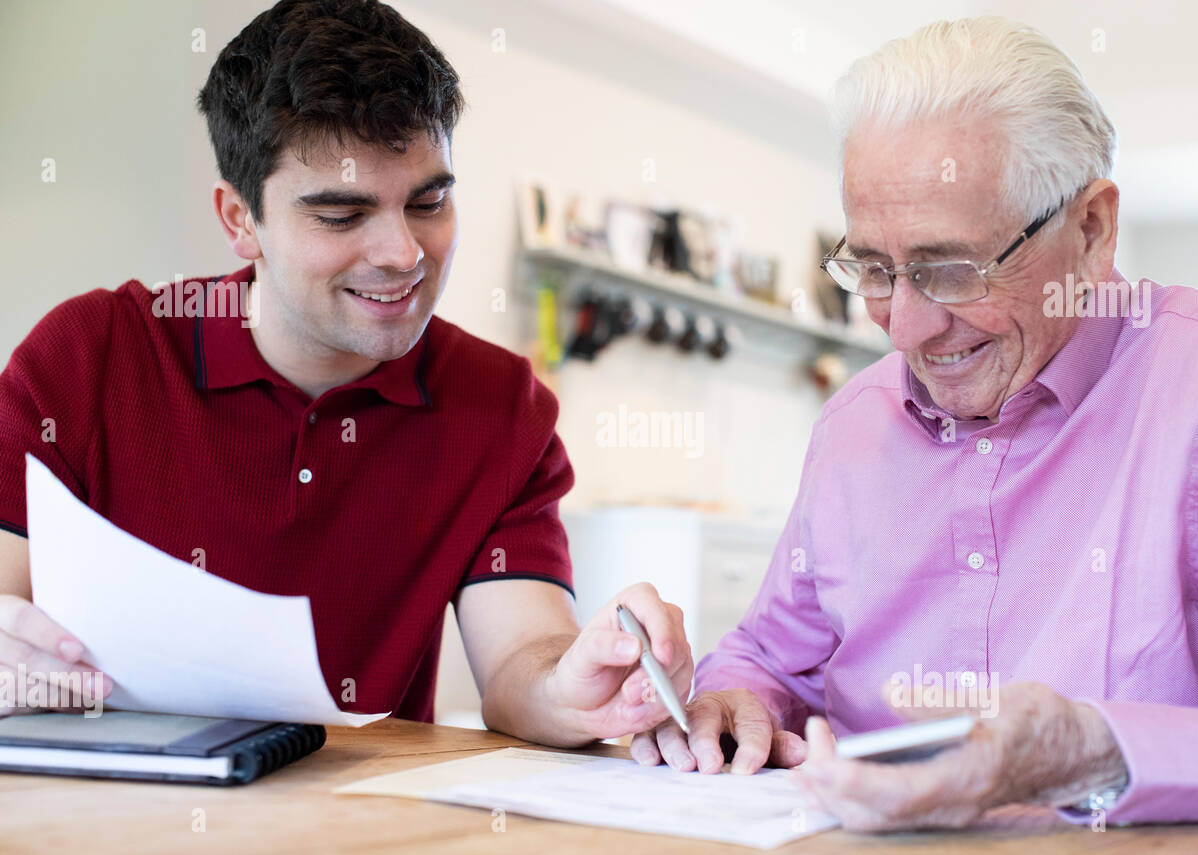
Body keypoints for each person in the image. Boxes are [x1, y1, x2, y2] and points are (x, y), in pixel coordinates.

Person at [633, 16, 1198, 830]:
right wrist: (734, 702)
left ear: (1089, 230)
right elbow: (770, 658)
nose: (903, 329)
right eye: (874, 269)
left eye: (951, 269)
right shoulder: (854, 424)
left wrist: (1097, 754)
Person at [0, 0, 690, 748]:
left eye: (429, 201)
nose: (403, 253)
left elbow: (522, 661)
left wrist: (578, 688)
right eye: (341, 215)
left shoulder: (500, 405)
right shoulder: (91, 356)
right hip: (102, 816)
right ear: (239, 220)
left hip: (357, 834)